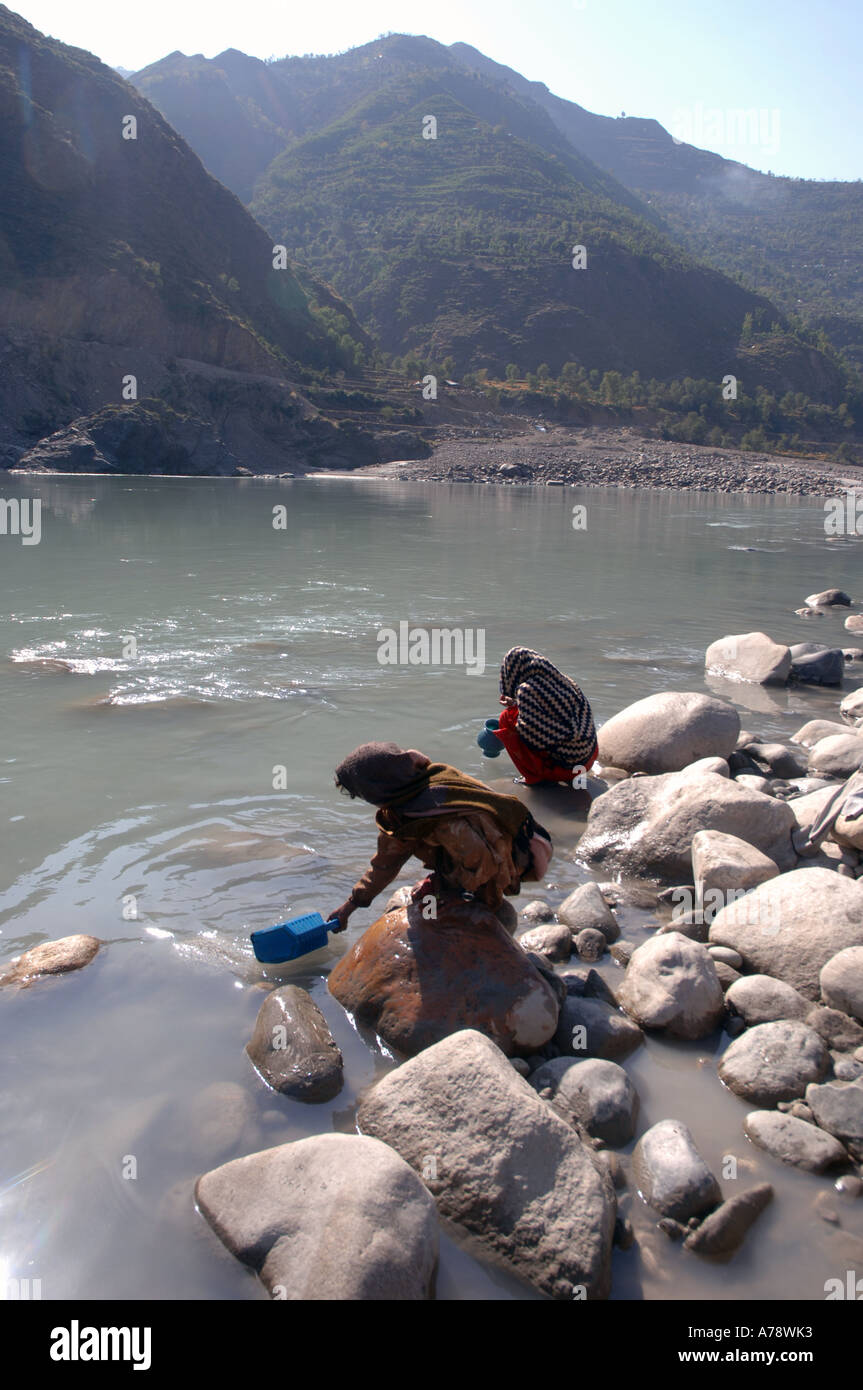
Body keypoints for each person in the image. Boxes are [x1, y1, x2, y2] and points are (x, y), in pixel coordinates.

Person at [328, 741, 552, 931]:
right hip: (482, 852)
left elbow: (488, 862)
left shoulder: (436, 810)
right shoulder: (406, 799)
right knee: (426, 895)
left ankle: (487, 915)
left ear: (378, 789)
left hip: (513, 856)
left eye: (364, 794)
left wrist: (444, 888)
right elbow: (385, 864)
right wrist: (350, 907)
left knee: (448, 905)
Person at [494, 645, 597, 786]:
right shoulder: (566, 681)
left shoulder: (526, 690)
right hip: (586, 760)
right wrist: (517, 704)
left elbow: (533, 740)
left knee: (506, 718)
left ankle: (533, 777)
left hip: (564, 768)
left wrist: (513, 709)